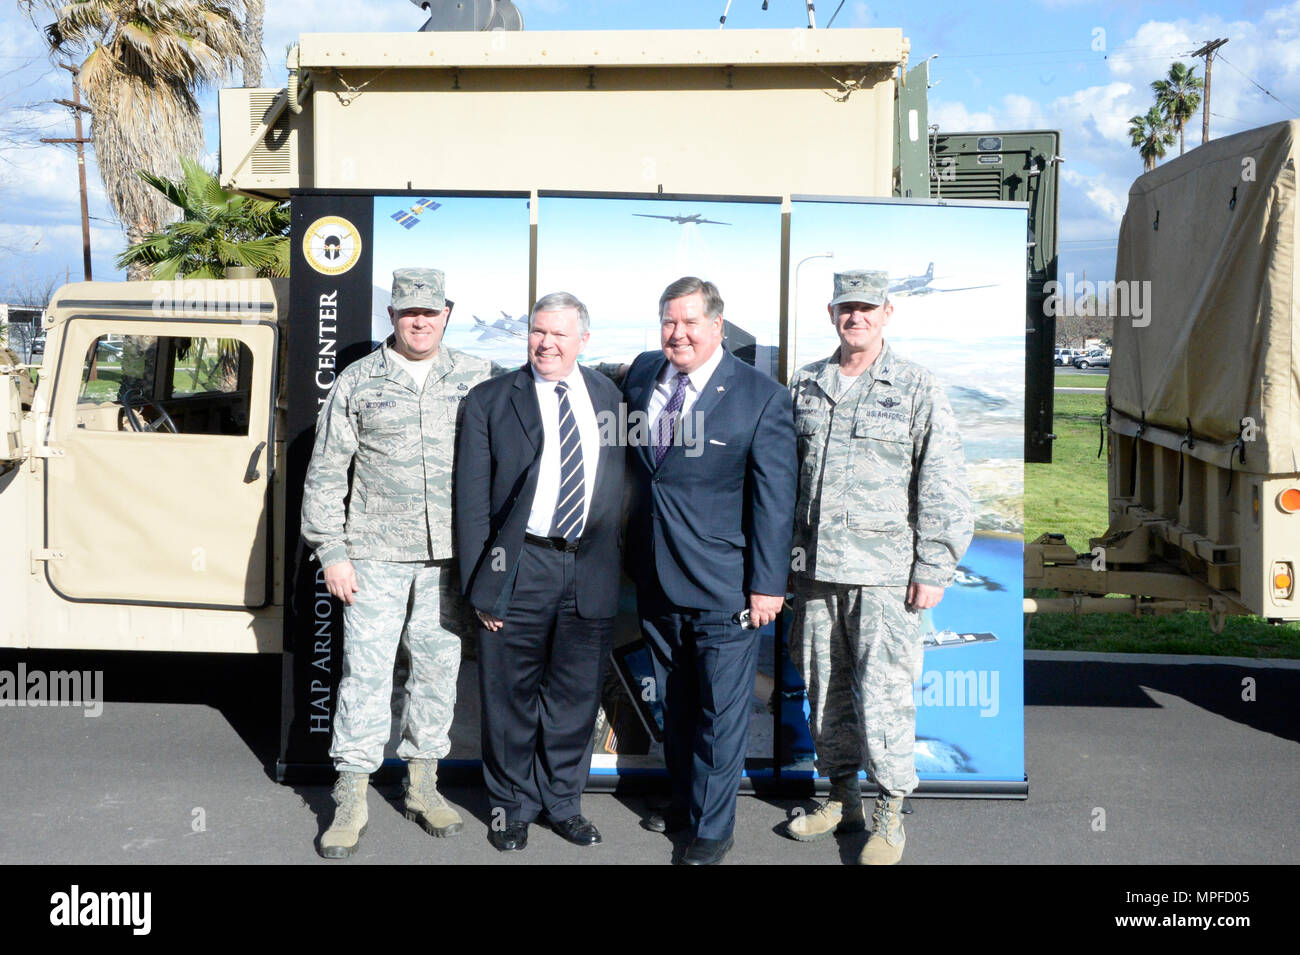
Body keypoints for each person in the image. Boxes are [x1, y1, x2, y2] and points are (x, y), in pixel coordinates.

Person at [301, 267, 493, 859]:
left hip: (449, 560)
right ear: (392, 316)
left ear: (446, 314)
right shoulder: (359, 381)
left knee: (437, 673)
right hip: (374, 556)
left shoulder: (477, 376)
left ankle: (422, 785)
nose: (420, 321)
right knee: (366, 675)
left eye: (430, 312)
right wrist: (331, 551)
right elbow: (327, 470)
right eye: (409, 311)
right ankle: (351, 797)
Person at [785, 269, 973, 865]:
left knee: (886, 697)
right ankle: (841, 798)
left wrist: (934, 565)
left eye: (867, 308)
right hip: (815, 574)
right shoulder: (806, 384)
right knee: (825, 691)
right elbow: (784, 477)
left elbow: (943, 481)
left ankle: (889, 812)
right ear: (831, 314)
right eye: (846, 307)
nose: (856, 317)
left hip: (886, 577)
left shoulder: (915, 386)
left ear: (887, 313)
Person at [623, 276, 796, 865]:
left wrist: (767, 584)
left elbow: (774, 501)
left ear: (718, 326)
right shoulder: (644, 374)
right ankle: (684, 801)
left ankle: (713, 827)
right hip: (655, 577)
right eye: (669, 321)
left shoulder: (761, 397)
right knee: (675, 703)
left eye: (690, 322)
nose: (678, 333)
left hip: (727, 585)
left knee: (720, 713)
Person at [455, 291, 626, 852]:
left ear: (584, 340)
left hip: (590, 566)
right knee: (510, 698)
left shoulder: (609, 396)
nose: (546, 343)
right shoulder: (490, 400)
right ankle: (510, 808)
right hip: (519, 565)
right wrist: (486, 587)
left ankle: (563, 804)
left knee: (575, 697)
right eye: (537, 331)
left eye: (558, 334)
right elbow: (471, 506)